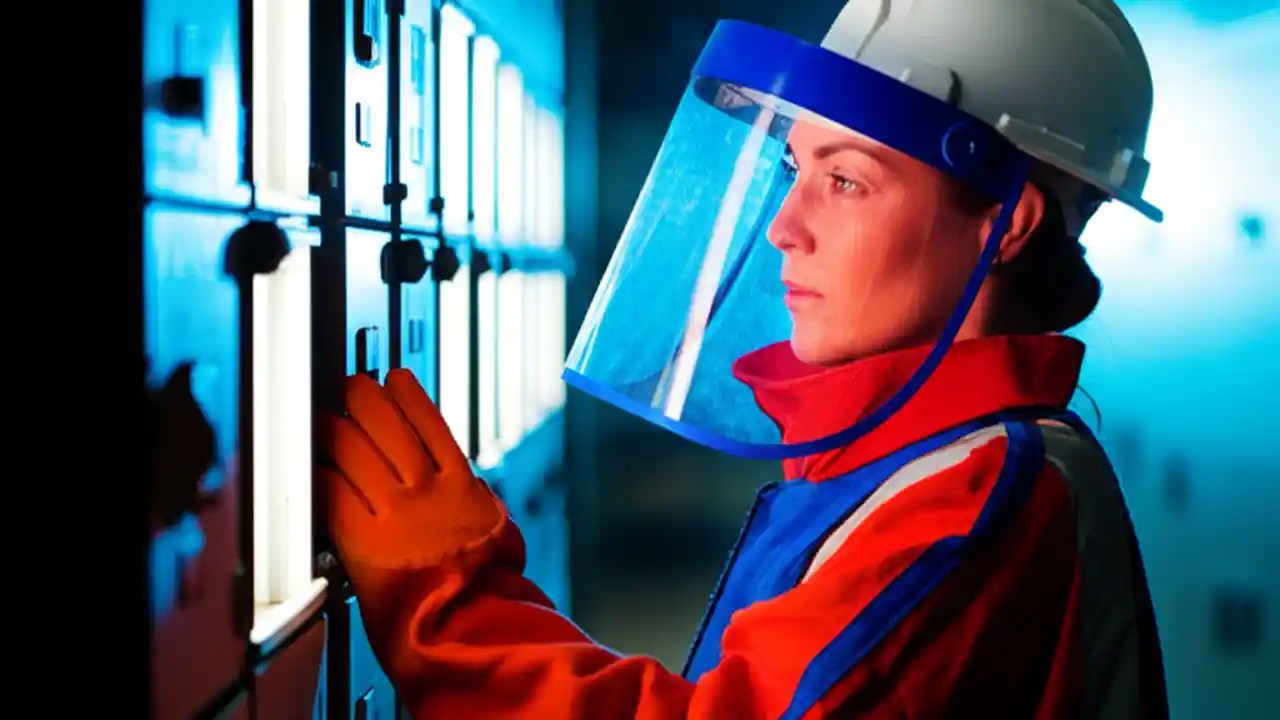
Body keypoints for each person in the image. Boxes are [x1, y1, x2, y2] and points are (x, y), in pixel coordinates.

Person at [318, 0, 1169, 716]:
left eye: (846, 180)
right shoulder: (917, 458)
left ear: (1008, 224)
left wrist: (451, 603)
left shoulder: (974, 495)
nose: (782, 227)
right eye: (794, 166)